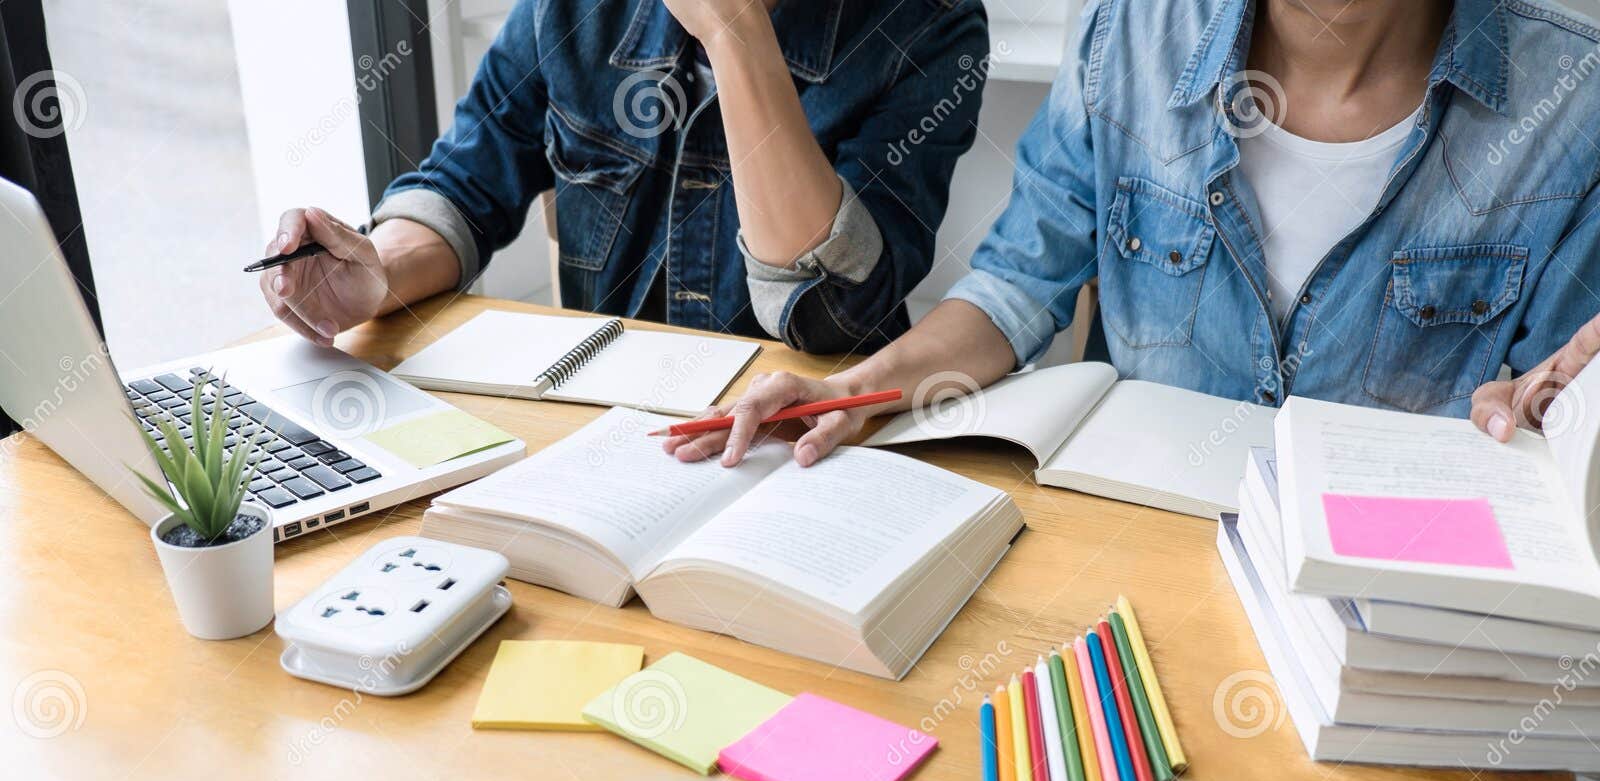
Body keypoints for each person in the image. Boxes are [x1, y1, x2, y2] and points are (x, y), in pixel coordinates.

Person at [678, 0, 1600, 470]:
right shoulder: (1127, 31)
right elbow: (1015, 286)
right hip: (1141, 547)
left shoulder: (1573, 104)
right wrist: (856, 389)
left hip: (1386, 604)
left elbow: (1545, 414)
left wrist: (1556, 409)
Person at [257, 0, 987, 355]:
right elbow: (465, 186)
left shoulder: (930, 26)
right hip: (609, 435)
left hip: (803, 445)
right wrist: (376, 271)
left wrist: (734, 33)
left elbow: (831, 313)